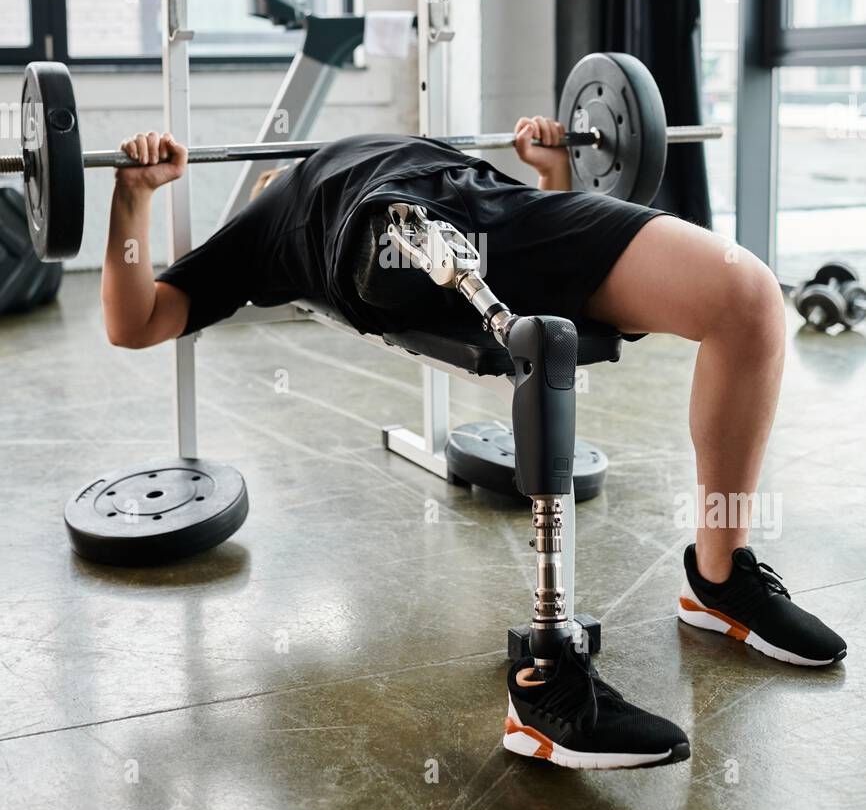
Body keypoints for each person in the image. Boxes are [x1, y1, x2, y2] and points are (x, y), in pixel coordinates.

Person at [101, 119, 846, 770]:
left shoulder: (417, 141)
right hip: (385, 239)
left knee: (746, 295)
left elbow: (540, 233)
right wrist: (132, 196)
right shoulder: (267, 223)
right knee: (442, 276)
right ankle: (544, 683)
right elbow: (134, 323)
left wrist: (555, 166)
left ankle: (719, 576)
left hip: (503, 210)